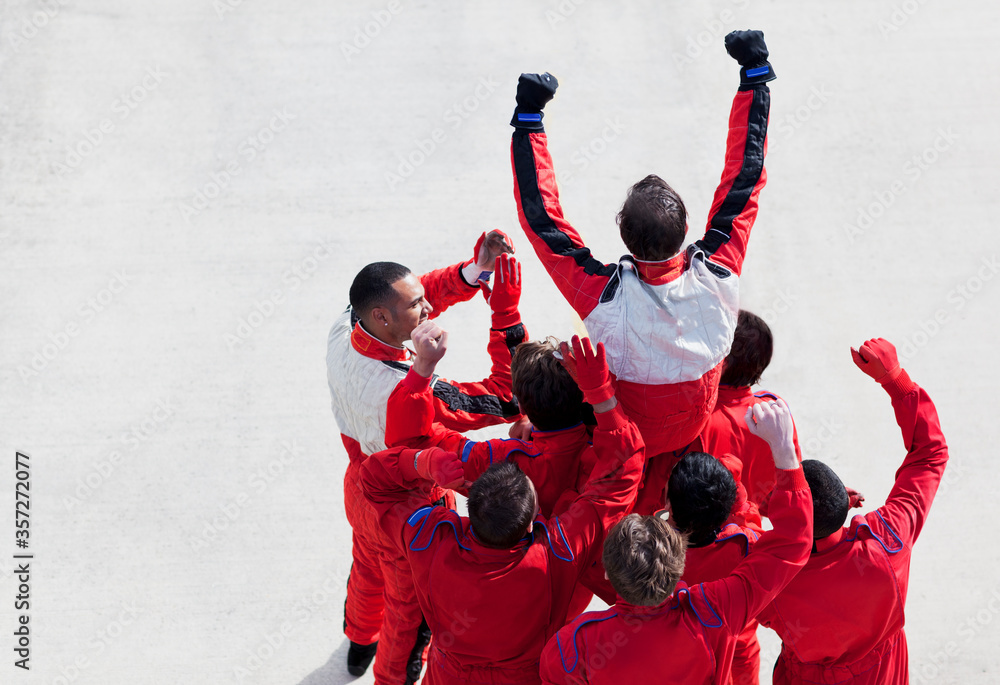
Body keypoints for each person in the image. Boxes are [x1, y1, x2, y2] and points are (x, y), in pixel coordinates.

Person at [508, 30, 775, 466]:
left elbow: (541, 221)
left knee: (552, 372)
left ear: (623, 236)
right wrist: (755, 76)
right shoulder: (719, 269)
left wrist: (528, 119)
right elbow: (746, 177)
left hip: (624, 436)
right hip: (693, 426)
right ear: (687, 228)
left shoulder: (602, 295)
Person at [361, 336, 645, 684]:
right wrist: (601, 394)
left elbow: (395, 457)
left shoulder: (432, 538)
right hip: (541, 648)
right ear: (533, 522)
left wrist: (424, 456)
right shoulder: (560, 552)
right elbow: (624, 467)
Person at [326, 232, 526, 685]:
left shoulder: (345, 327)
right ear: (381, 316)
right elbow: (505, 396)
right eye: (417, 305)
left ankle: (359, 641)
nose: (429, 307)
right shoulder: (414, 392)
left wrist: (473, 272)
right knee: (409, 617)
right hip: (409, 513)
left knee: (365, 568)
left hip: (360, 487)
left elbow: (417, 296)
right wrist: (505, 311)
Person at [539, 398, 812, 685]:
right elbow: (793, 542)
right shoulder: (718, 606)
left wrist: (567, 501)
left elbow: (576, 547)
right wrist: (782, 454)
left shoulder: (575, 645)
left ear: (610, 573)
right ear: (676, 570)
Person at [756, 338, 949, 684]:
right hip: (883, 672)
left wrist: (772, 508)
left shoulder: (768, 575)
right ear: (844, 505)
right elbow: (930, 455)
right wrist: (895, 380)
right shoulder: (886, 542)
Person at [699, 310, 802, 517]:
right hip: (749, 528)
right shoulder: (775, 413)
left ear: (721, 361)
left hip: (690, 531)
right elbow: (786, 483)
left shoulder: (696, 417)